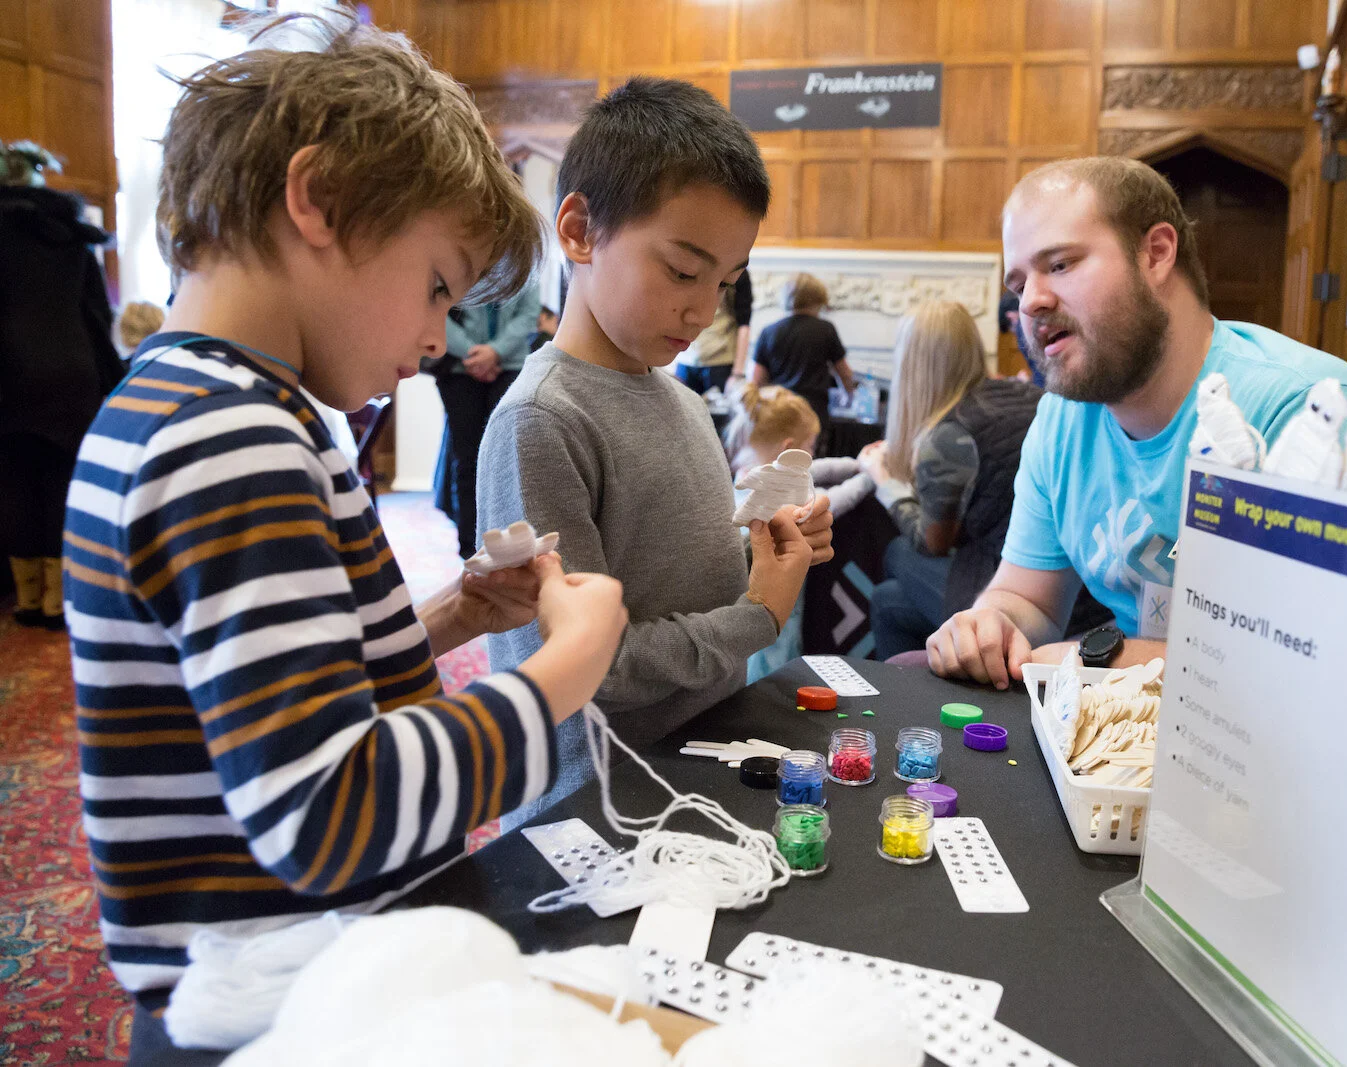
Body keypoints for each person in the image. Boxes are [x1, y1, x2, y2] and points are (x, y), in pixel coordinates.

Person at [59, 11, 627, 1034]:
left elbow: (257, 683)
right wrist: (558, 676)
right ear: (317, 198)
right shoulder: (231, 434)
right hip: (285, 1009)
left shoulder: (191, 402)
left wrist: (450, 613)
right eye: (437, 285)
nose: (434, 335)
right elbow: (328, 815)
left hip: (281, 979)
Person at [478, 78, 835, 824]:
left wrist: (772, 547)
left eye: (727, 283)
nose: (703, 309)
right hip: (597, 807)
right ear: (578, 230)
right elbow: (588, 664)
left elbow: (682, 580)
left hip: (698, 762)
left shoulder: (677, 397)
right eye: (681, 270)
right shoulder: (542, 420)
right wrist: (760, 614)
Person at [926, 156, 1347, 687]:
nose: (1032, 302)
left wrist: (1101, 657)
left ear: (1156, 253)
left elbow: (1321, 666)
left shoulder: (1309, 411)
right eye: (1018, 286)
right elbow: (1026, 600)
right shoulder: (1060, 418)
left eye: (1060, 264)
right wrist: (989, 625)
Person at [858, 301, 1082, 660]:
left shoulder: (948, 436)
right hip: (1074, 592)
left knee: (898, 553)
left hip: (1012, 596)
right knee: (889, 600)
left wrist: (886, 482)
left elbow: (934, 542)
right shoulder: (1025, 394)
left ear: (910, 364)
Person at [0, 142, 124, 631]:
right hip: (69, 373)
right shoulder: (71, 234)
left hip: (7, 374)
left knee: (12, 485)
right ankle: (57, 601)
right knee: (60, 483)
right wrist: (115, 383)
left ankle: (27, 599)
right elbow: (95, 315)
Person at [434, 280, 541, 557]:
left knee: (507, 461)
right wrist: (474, 353)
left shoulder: (526, 264)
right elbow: (437, 308)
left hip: (510, 366)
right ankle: (470, 549)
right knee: (466, 460)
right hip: (460, 367)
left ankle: (509, 550)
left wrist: (496, 352)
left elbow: (529, 314)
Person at [751, 272, 854, 453]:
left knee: (779, 460)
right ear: (819, 299)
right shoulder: (826, 330)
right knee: (810, 465)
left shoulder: (769, 332)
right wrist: (849, 397)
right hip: (814, 412)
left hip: (780, 411)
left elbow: (757, 380)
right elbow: (844, 372)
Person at [676, 270, 753, 395]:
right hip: (686, 360)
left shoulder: (738, 271)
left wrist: (738, 373)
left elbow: (744, 324)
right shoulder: (688, 264)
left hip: (720, 363)